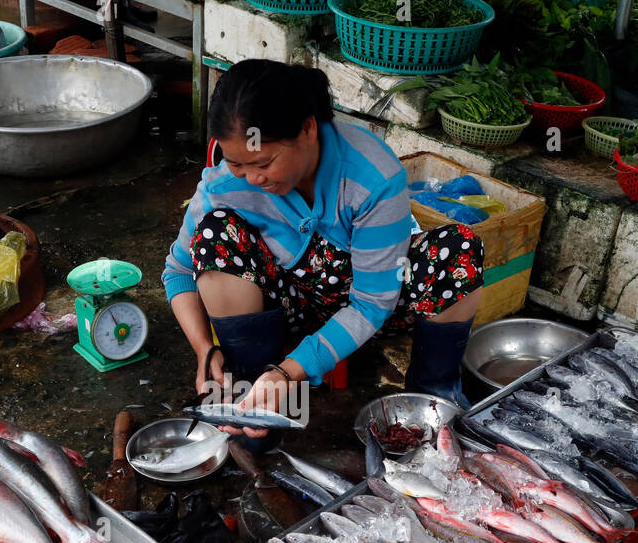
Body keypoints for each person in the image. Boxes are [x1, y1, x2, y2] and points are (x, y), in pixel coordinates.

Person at [162, 59, 485, 442]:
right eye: (236, 164)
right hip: (285, 307)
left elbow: (370, 303)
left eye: (264, 162)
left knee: (457, 250)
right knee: (216, 234)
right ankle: (250, 404)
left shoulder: (371, 175)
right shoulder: (223, 186)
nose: (253, 178)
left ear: (308, 128)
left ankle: (433, 400)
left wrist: (290, 372)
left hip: (373, 304)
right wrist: (203, 349)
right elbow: (178, 271)